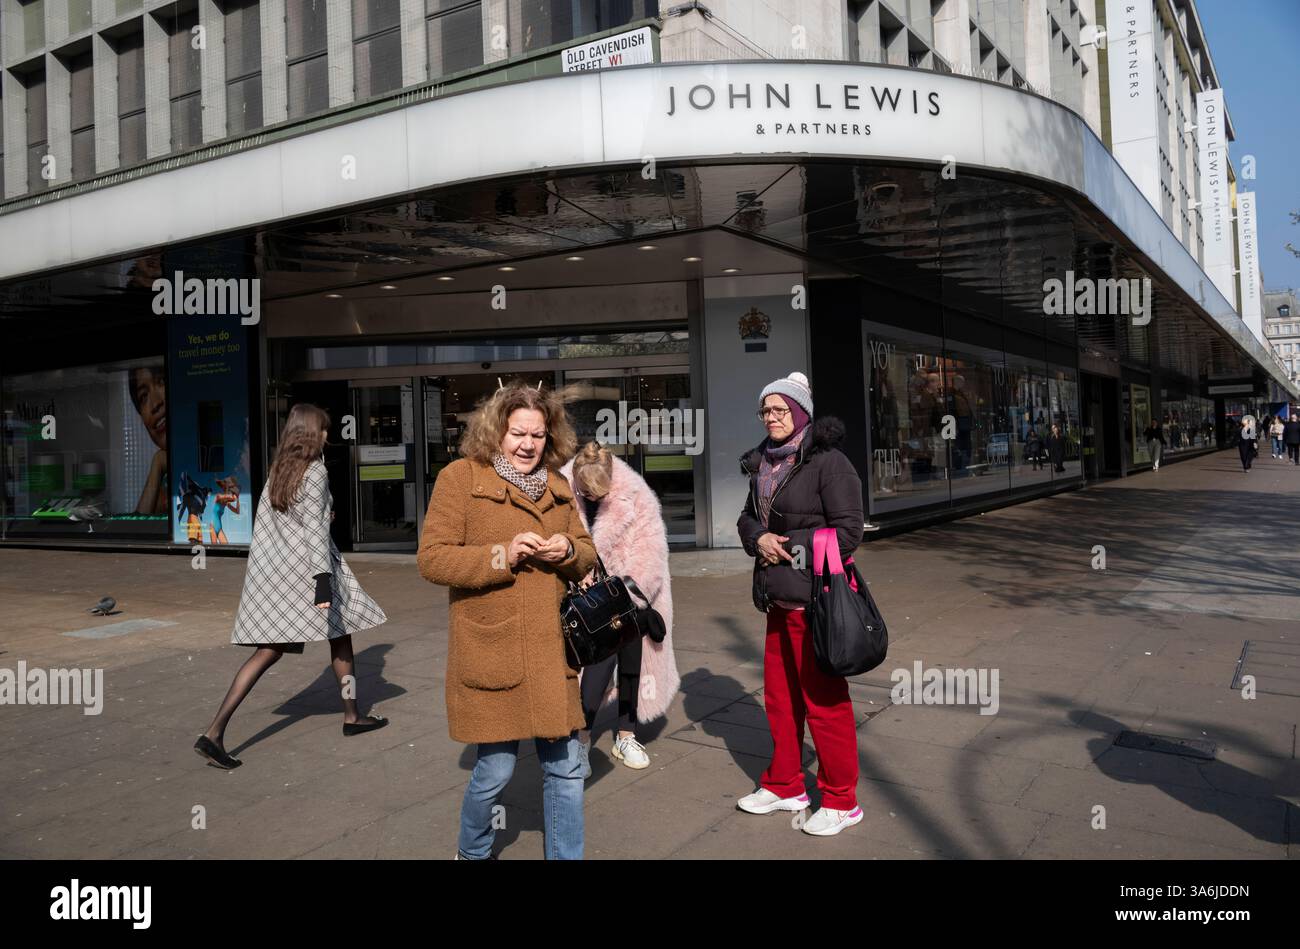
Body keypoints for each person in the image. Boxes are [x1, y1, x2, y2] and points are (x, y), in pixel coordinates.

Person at [418, 382, 597, 861]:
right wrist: (501, 555)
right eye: (518, 433)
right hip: (493, 651)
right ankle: (472, 852)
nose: (528, 445)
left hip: (551, 653)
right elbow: (432, 559)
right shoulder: (460, 478)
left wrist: (570, 551)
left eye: (538, 435)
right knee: (494, 771)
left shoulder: (559, 485)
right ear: (496, 431)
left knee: (565, 768)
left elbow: (587, 552)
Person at [194, 404, 389, 770]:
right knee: (337, 637)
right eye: (325, 430)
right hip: (310, 574)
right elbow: (314, 532)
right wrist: (322, 583)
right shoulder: (315, 471)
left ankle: (216, 732)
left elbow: (281, 524)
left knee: (276, 648)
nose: (329, 436)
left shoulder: (279, 469)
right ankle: (350, 717)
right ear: (313, 433)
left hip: (279, 577)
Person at [736, 371, 865, 837]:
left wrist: (787, 544)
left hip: (817, 603)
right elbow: (748, 518)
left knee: (824, 702)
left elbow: (849, 533)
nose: (771, 417)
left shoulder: (829, 463)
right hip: (777, 600)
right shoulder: (764, 462)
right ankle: (786, 784)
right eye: (766, 410)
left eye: (780, 409)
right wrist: (759, 538)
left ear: (800, 413)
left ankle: (841, 800)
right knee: (780, 700)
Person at [560, 442, 679, 775]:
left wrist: (623, 597)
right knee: (595, 666)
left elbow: (651, 555)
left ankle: (626, 735)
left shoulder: (636, 496)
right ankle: (581, 737)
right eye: (586, 492)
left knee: (632, 664)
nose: (593, 498)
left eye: (599, 493)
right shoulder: (562, 493)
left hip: (632, 595)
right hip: (586, 603)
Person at [128, 364, 168, 515]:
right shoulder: (165, 480)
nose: (155, 404)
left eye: (162, 381)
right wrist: (157, 465)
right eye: (144, 396)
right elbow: (136, 532)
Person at [211, 476, 241, 544]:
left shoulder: (226, 503)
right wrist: (235, 495)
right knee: (214, 549)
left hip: (219, 527)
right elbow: (229, 497)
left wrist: (238, 499)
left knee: (226, 545)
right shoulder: (218, 497)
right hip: (212, 526)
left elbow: (237, 511)